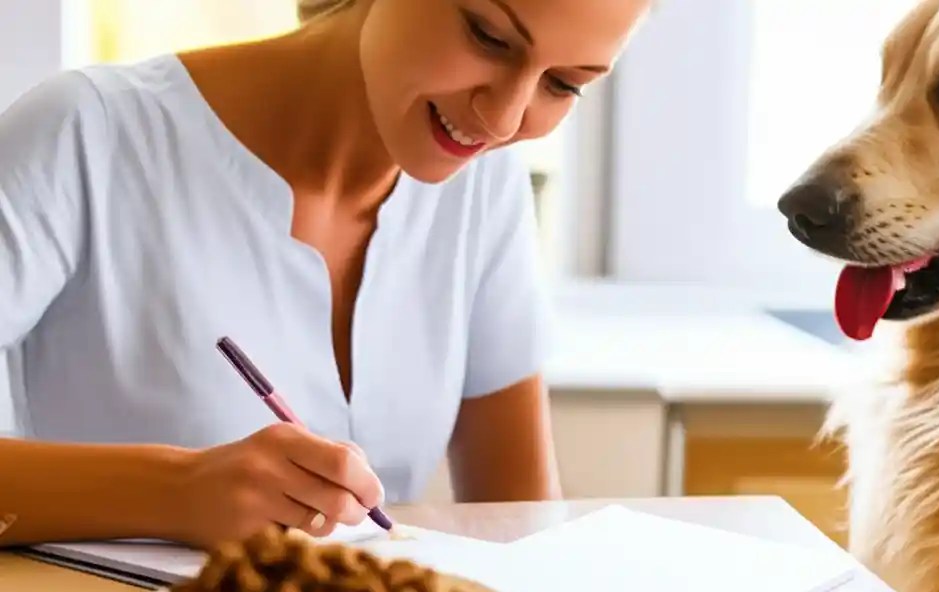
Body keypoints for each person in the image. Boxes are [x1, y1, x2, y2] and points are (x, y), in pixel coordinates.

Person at [0, 0, 650, 548]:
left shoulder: (484, 186)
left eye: (563, 84)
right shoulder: (88, 136)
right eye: (487, 35)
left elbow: (523, 528)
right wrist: (174, 492)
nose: (504, 119)